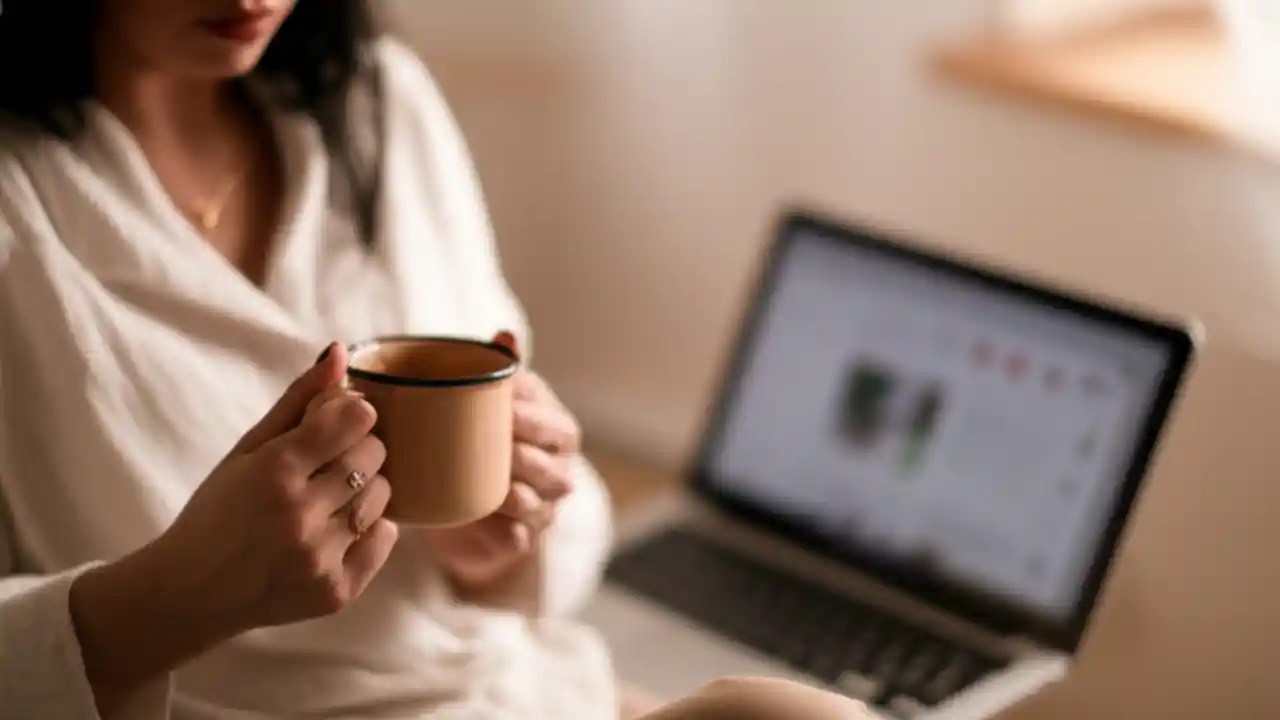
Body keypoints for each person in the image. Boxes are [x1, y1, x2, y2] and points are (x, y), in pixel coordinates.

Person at [0, 2, 870, 718]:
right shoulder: (24, 206)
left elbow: (544, 497)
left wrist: (507, 535)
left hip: (517, 692)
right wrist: (174, 596)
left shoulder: (375, 98)